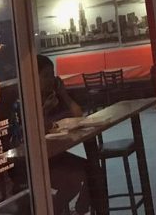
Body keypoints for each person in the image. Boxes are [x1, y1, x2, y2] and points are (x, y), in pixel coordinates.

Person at [37, 54, 90, 215]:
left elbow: (78, 115)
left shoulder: (53, 96)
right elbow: (34, 130)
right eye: (45, 76)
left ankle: (80, 210)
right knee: (72, 182)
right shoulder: (27, 101)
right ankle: (53, 210)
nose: (51, 79)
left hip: (55, 155)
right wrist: (44, 110)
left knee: (94, 169)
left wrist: (64, 94)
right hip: (38, 161)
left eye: (52, 74)